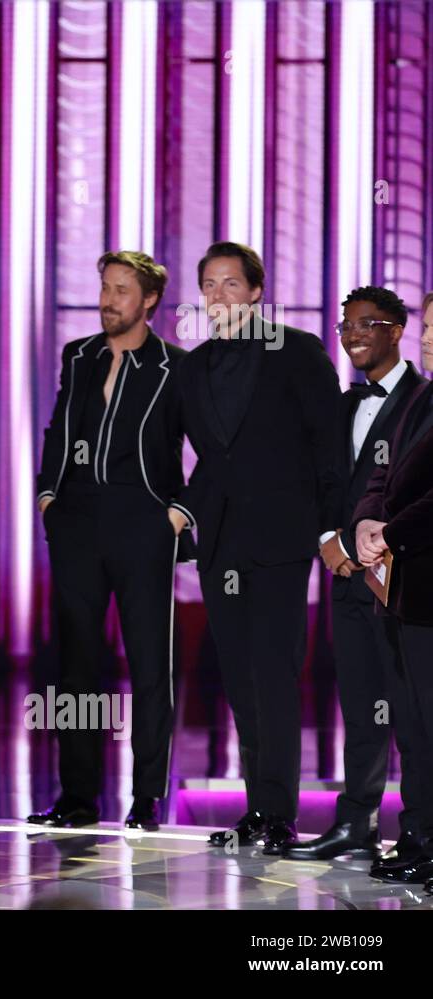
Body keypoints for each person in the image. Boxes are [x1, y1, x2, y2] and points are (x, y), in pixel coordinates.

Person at [173, 242, 345, 856]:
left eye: (230, 284)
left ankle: (281, 814)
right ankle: (257, 808)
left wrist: (332, 530)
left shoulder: (297, 351)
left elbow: (331, 446)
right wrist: (182, 511)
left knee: (275, 678)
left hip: (282, 539)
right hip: (221, 544)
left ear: (254, 292)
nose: (218, 296)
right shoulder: (191, 370)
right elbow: (207, 465)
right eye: (209, 285)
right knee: (242, 684)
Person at [27, 251, 190, 831]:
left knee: (150, 665)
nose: (108, 299)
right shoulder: (80, 356)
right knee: (76, 668)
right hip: (76, 523)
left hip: (144, 523)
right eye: (104, 287)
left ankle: (147, 797)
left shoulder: (175, 366)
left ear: (148, 300)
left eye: (122, 290)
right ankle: (78, 798)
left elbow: (212, 449)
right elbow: (56, 427)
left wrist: (178, 512)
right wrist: (49, 495)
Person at [287, 287, 425, 862]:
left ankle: (419, 832)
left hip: (407, 581)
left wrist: (362, 542)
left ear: (398, 329)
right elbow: (321, 481)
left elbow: (414, 493)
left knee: (412, 711)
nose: (354, 335)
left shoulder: (425, 399)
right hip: (345, 577)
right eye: (346, 326)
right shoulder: (341, 404)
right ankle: (356, 823)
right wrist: (329, 541)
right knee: (361, 704)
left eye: (368, 324)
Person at [353, 291, 433, 887]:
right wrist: (365, 521)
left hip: (422, 572)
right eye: (427, 328)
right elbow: (383, 470)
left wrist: (392, 535)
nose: (428, 340)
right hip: (405, 587)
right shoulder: (423, 398)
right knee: (413, 724)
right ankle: (421, 836)